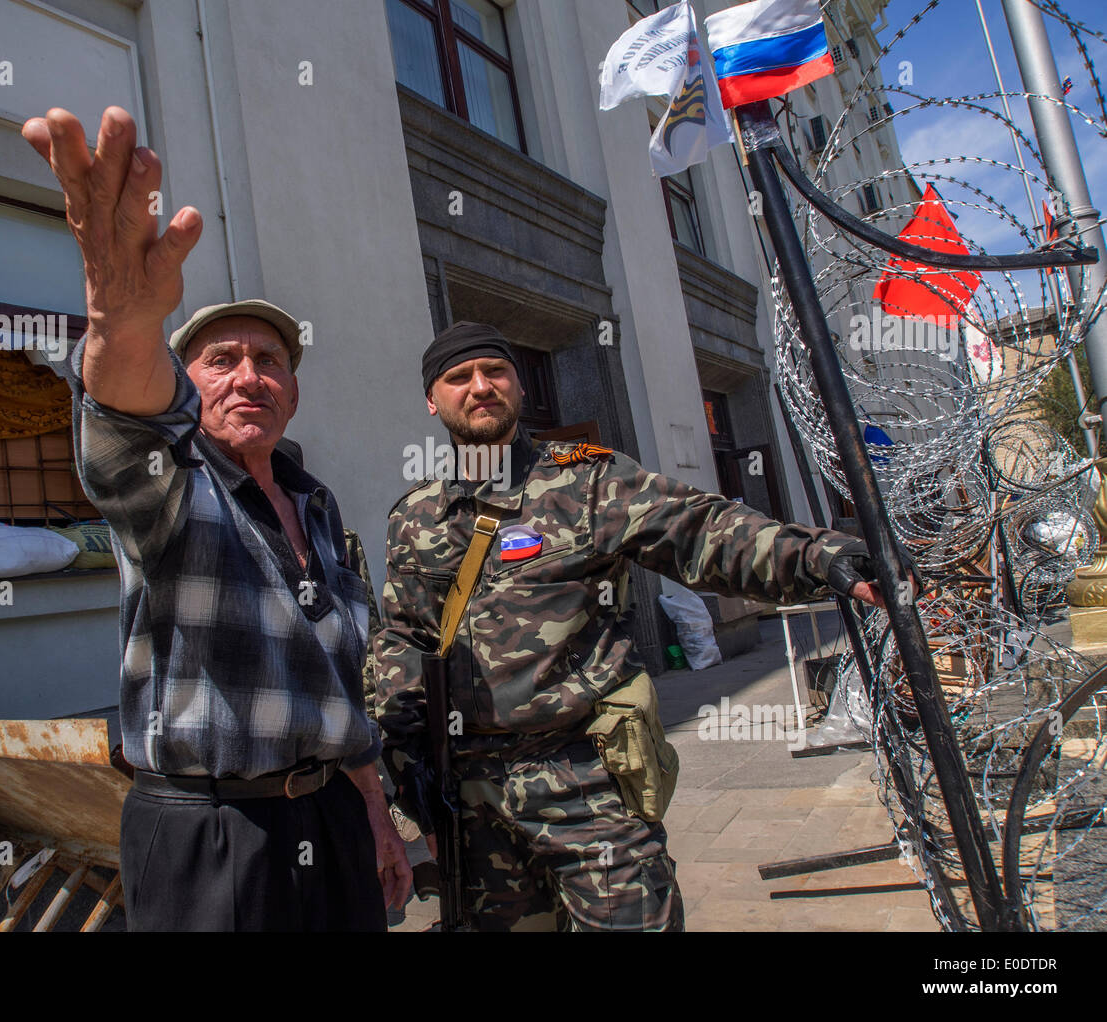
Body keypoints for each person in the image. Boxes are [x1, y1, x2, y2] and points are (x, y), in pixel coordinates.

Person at [20, 105, 409, 931]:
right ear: (186, 388)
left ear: (292, 393)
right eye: (220, 360)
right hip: (210, 831)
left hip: (331, 815)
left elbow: (340, 687)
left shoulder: (316, 505)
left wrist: (375, 814)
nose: (248, 377)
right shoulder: (171, 487)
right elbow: (125, 419)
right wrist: (121, 321)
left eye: (269, 361)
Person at [374, 321, 894, 931]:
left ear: (518, 385)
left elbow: (700, 530)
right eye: (459, 377)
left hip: (587, 783)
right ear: (432, 401)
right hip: (471, 803)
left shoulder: (589, 483)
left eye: (496, 371)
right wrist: (411, 780)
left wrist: (819, 557)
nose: (481, 386)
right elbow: (403, 642)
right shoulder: (416, 517)